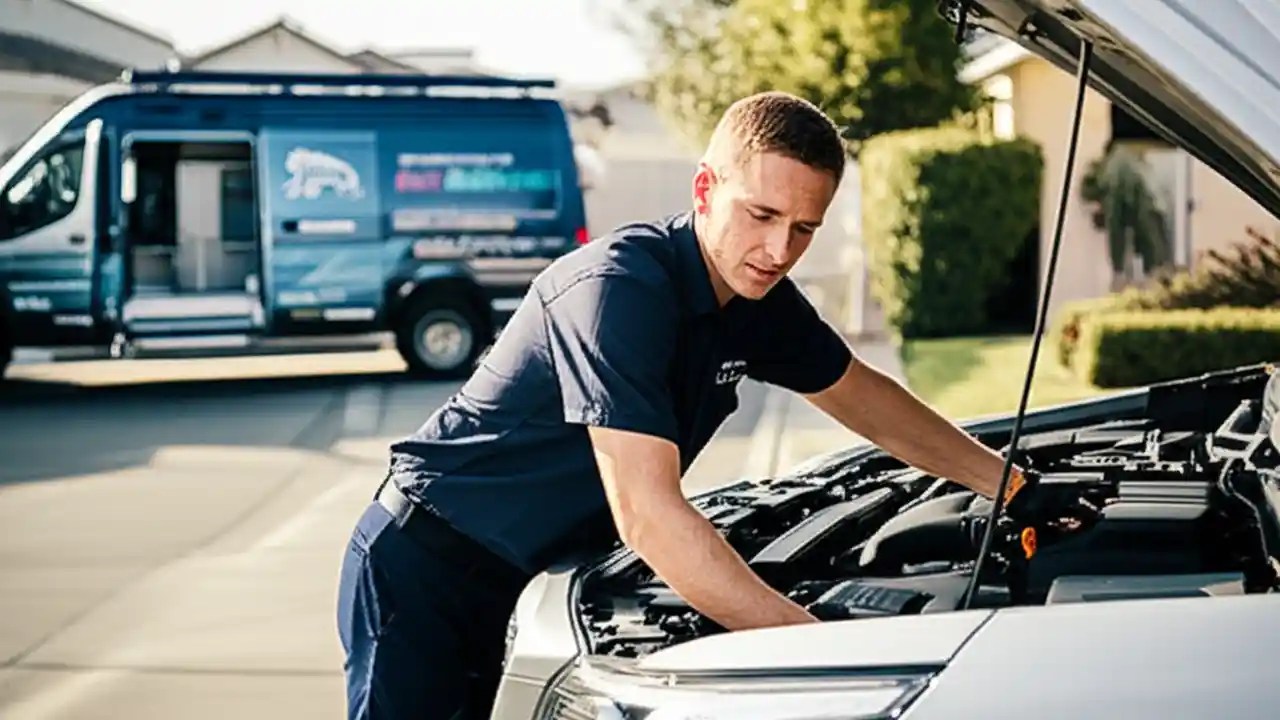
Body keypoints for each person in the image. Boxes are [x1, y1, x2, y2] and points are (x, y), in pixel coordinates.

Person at [335, 90, 1048, 720]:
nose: (778, 250)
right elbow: (648, 514)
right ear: (705, 188)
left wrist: (1010, 484)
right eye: (761, 214)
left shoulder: (756, 297)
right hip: (425, 570)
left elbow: (864, 396)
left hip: (527, 576)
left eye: (804, 228)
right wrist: (820, 648)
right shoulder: (618, 291)